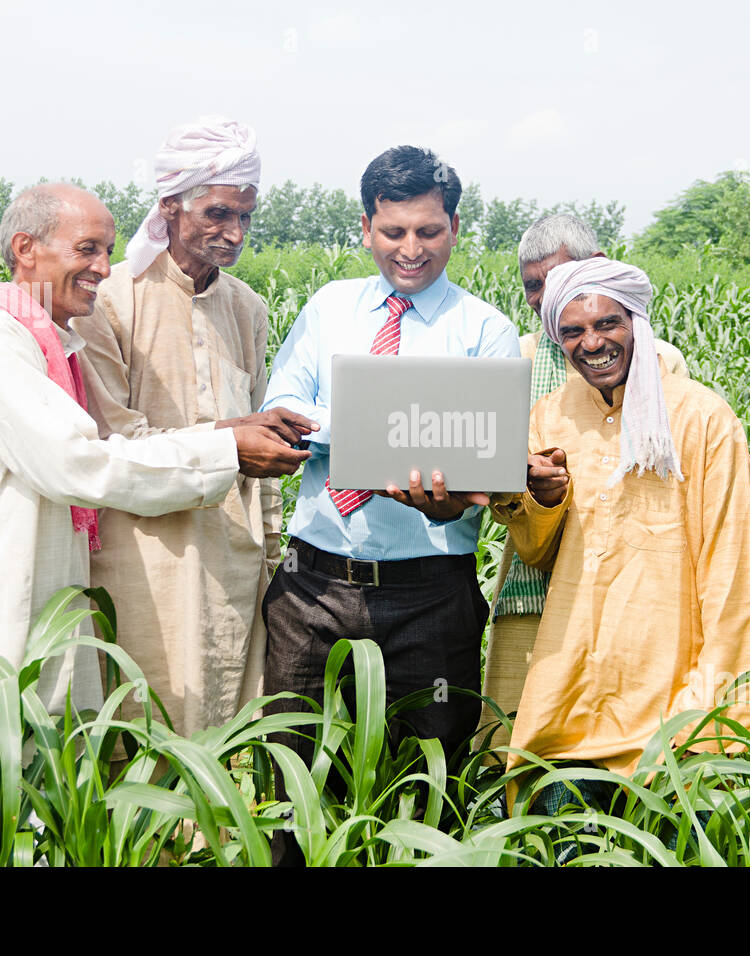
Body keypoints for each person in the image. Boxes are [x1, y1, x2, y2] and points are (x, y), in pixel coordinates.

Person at [0, 183, 308, 783]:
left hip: (48, 603)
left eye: (108, 252)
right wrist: (224, 449)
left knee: (41, 786)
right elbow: (82, 464)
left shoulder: (48, 342)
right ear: (26, 249)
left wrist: (228, 432)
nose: (103, 269)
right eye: (87, 250)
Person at [260, 146, 519, 829]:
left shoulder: (486, 332)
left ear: (456, 228)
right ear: (367, 228)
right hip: (310, 587)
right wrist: (372, 432)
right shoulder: (329, 308)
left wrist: (455, 495)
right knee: (292, 782)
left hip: (430, 591)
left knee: (430, 786)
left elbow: (486, 462)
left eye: (428, 232)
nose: (411, 250)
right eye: (393, 232)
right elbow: (284, 404)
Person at [71, 117, 314, 737]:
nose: (233, 233)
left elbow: (256, 439)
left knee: (229, 737)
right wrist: (229, 441)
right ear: (170, 207)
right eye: (217, 214)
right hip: (144, 563)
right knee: (145, 728)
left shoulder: (246, 307)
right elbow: (111, 444)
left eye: (245, 217)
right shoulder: (110, 300)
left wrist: (271, 549)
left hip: (233, 561)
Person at [491, 256, 750, 806]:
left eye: (607, 323)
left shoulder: (703, 419)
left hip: (671, 709)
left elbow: (729, 576)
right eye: (573, 331)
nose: (592, 343)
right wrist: (542, 500)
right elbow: (537, 555)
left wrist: (715, 709)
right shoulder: (548, 416)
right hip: (568, 703)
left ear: (638, 321)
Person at [477, 214, 688, 757]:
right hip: (531, 583)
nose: (546, 296)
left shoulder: (660, 362)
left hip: (631, 586)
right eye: (532, 286)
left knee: (619, 741)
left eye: (559, 277)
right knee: (518, 745)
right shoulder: (511, 358)